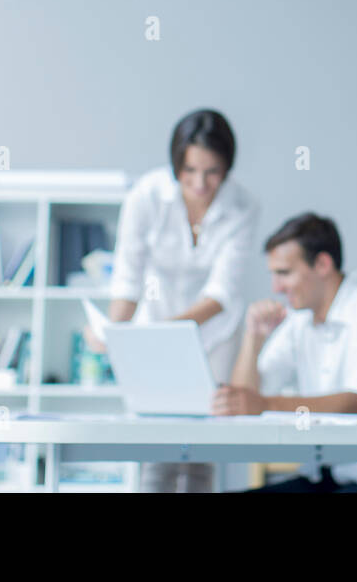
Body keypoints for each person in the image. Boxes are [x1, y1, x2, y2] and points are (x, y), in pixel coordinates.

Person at [94, 108, 260, 492]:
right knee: (159, 447)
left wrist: (168, 334)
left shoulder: (243, 206)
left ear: (227, 167)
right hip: (157, 321)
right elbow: (128, 277)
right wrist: (117, 333)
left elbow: (222, 291)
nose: (200, 183)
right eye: (190, 171)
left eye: (212, 172)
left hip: (214, 334)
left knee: (202, 452)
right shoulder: (146, 196)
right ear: (176, 165)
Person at [211, 212, 357, 493]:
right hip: (324, 476)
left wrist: (266, 404)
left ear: (322, 264)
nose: (276, 288)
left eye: (284, 273)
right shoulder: (299, 320)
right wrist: (253, 337)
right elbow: (244, 403)